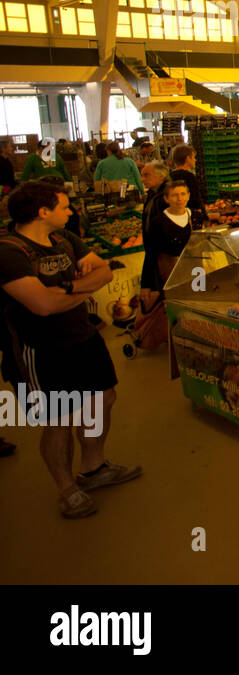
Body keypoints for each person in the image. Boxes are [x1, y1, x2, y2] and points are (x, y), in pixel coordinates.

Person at [0, 182, 135, 518]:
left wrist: (68, 288)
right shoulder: (9, 252)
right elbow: (43, 306)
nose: (71, 211)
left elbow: (103, 270)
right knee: (58, 419)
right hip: (39, 350)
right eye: (64, 206)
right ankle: (67, 489)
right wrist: (79, 288)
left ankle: (93, 467)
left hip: (83, 336)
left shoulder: (64, 239)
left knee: (104, 399)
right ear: (42, 212)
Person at [142, 178, 193, 297]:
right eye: (174, 195)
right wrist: (147, 285)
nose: (179, 199)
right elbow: (150, 254)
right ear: (166, 198)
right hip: (170, 275)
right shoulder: (158, 223)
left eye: (183, 194)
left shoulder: (195, 216)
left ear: (188, 196)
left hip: (195, 272)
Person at [168, 144, 206, 220]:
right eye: (194, 157)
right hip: (189, 216)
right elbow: (195, 200)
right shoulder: (189, 177)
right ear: (188, 159)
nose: (195, 160)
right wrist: (204, 215)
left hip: (174, 215)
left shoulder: (169, 176)